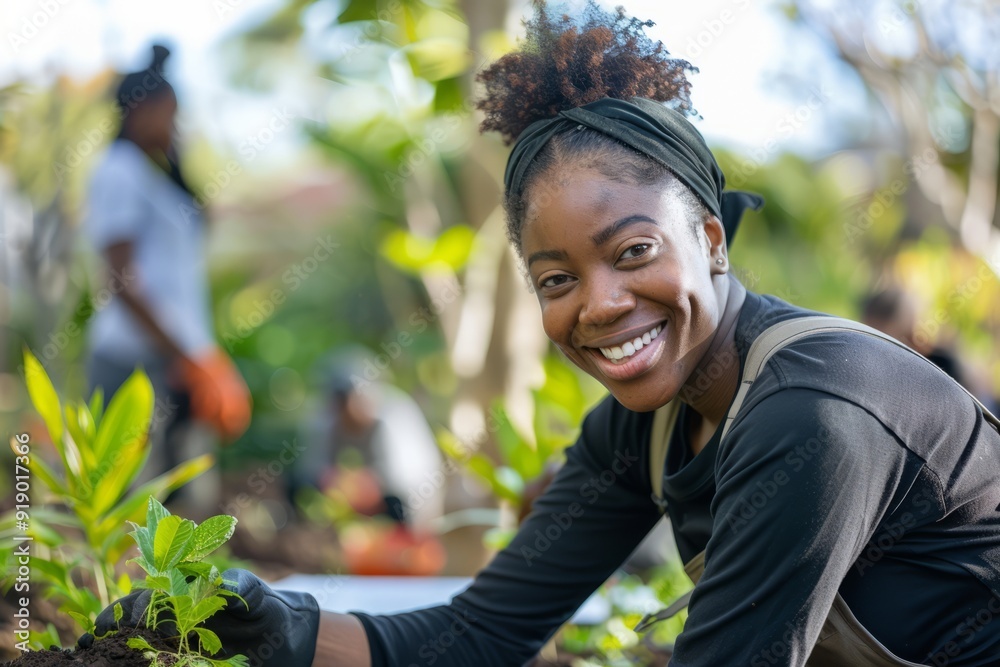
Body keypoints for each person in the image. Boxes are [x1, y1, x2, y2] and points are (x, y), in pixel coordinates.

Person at [89, 5, 1000, 667]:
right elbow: (473, 634)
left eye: (633, 250)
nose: (599, 304)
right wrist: (274, 629)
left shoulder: (814, 412)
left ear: (711, 240)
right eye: (556, 278)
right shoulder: (644, 427)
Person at [84, 45, 251, 493]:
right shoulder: (118, 171)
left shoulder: (154, 177)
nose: (175, 125)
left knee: (186, 508)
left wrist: (198, 360)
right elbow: (121, 281)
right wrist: (188, 359)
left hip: (175, 361)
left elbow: (200, 220)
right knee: (132, 507)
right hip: (132, 364)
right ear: (141, 109)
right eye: (169, 113)